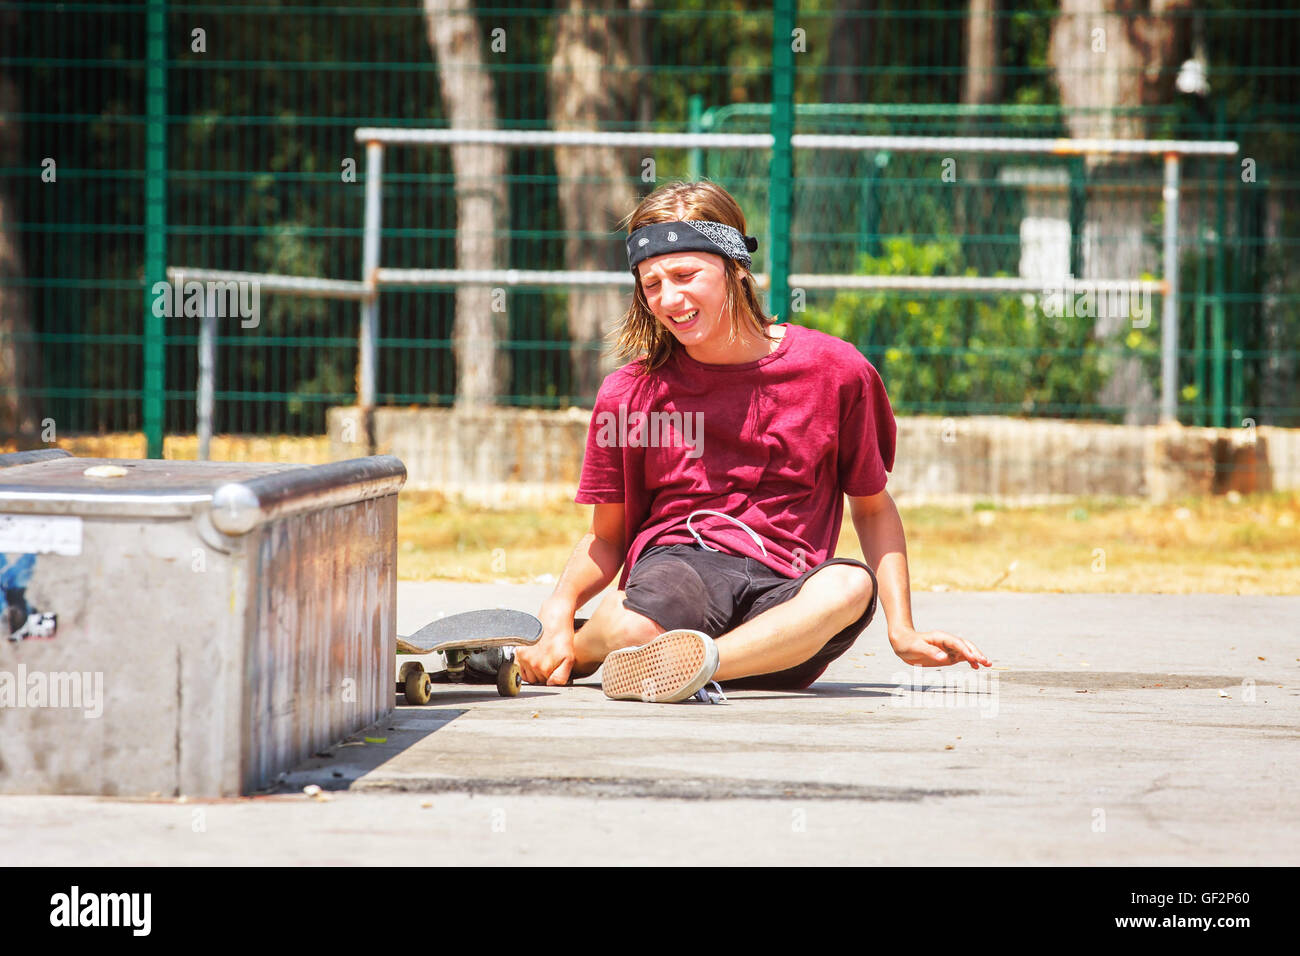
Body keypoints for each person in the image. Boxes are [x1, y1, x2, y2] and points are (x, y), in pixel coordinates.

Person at [515, 180, 990, 703]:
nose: (669, 299)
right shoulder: (629, 393)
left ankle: (700, 663)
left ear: (735, 266)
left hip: (785, 609)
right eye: (651, 284)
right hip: (682, 566)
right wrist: (555, 613)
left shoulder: (837, 371)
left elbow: (873, 510)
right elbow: (607, 536)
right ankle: (580, 647)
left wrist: (902, 631)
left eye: (685, 274)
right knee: (634, 627)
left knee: (851, 585)